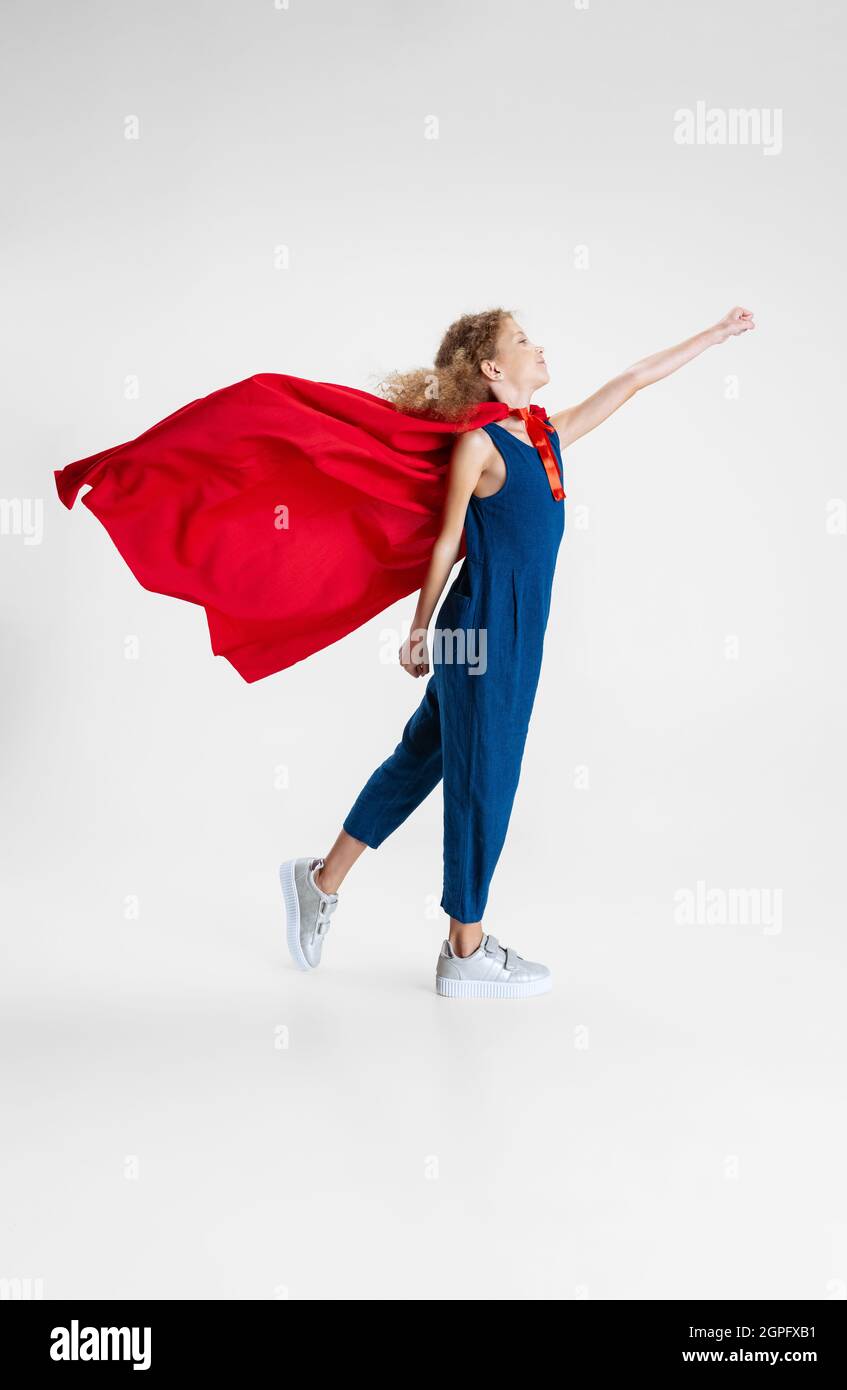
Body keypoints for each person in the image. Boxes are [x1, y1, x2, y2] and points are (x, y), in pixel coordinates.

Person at [280, 304, 755, 997]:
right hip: (480, 630)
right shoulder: (480, 448)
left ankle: (319, 880)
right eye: (523, 342)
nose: (540, 348)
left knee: (421, 760)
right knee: (487, 778)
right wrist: (417, 628)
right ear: (492, 369)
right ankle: (463, 950)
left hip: (511, 631)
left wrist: (713, 336)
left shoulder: (545, 435)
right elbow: (447, 542)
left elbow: (630, 380)